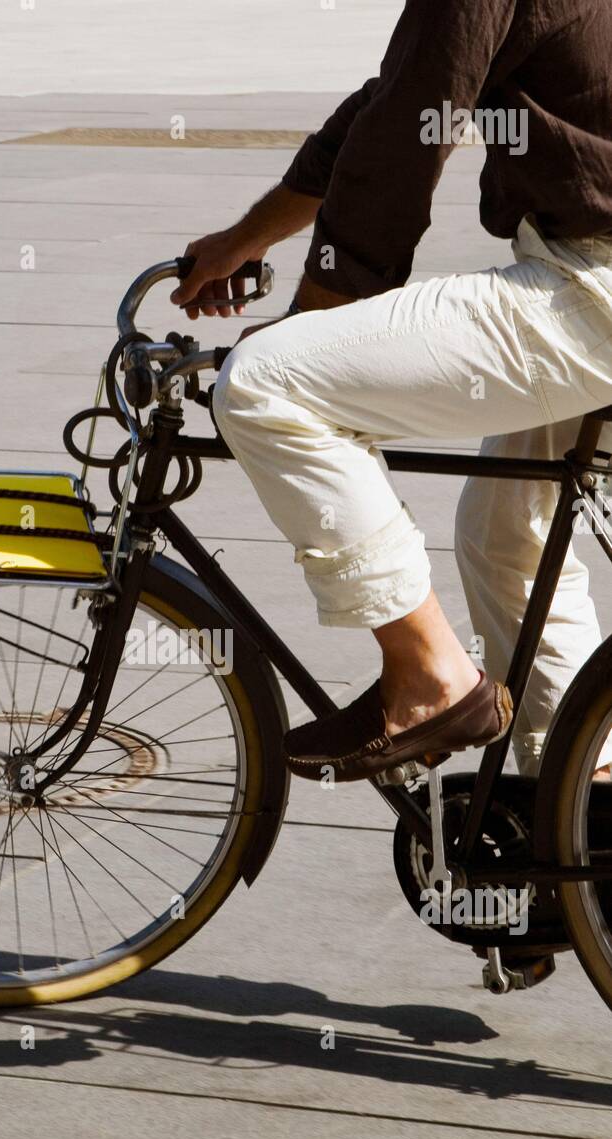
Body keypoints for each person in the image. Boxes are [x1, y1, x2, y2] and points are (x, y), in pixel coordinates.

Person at [171, 0, 612, 782]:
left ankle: (433, 681)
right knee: (504, 533)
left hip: (595, 285)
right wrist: (248, 238)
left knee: (268, 384)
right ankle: (582, 800)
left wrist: (314, 315)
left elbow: (420, 116)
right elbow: (398, 97)